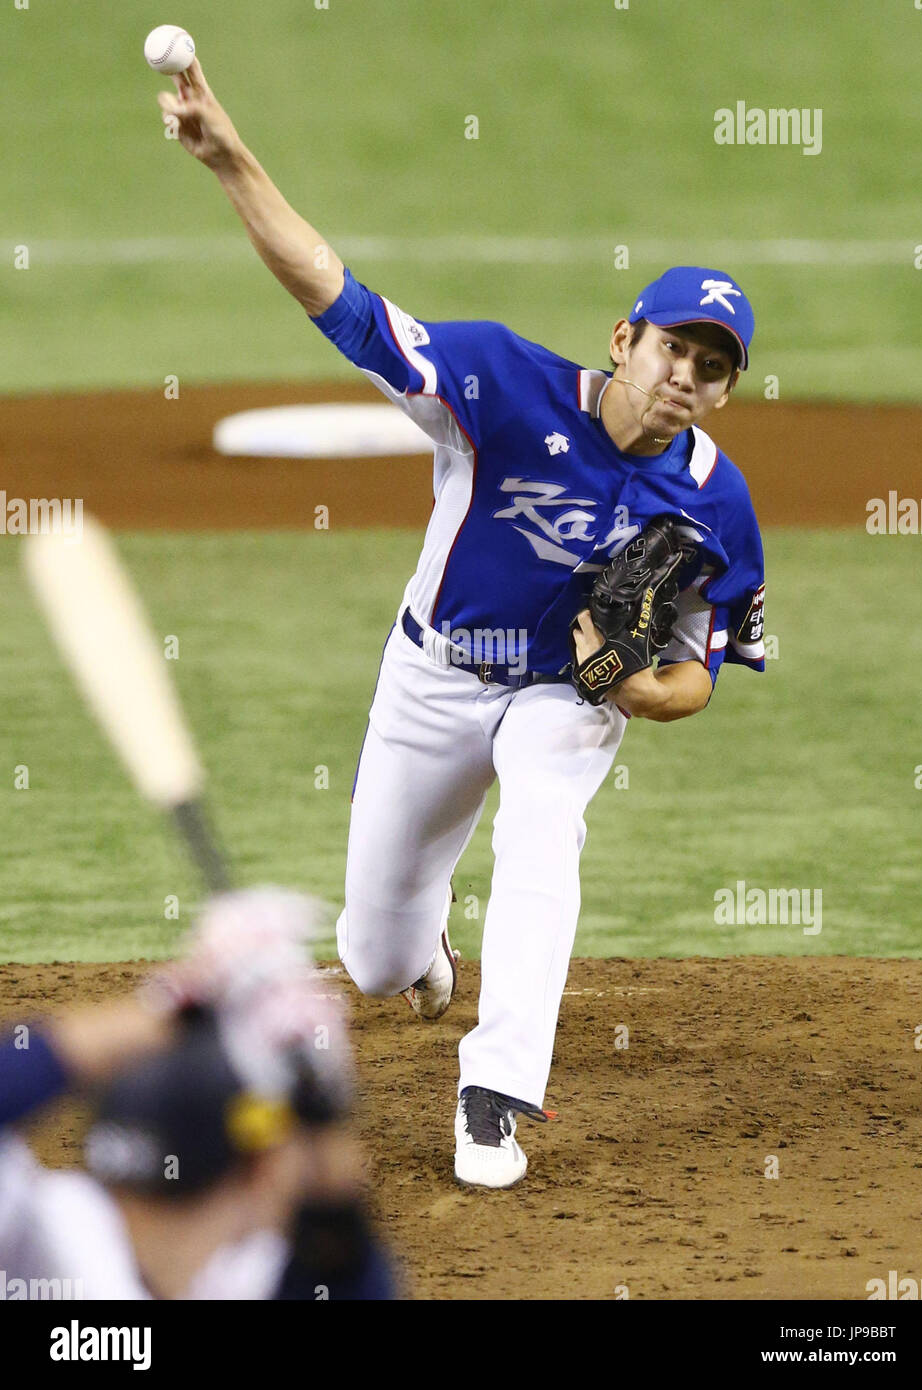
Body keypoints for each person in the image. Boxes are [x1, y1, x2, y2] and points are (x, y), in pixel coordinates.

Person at [156, 61, 766, 1190]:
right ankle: (420, 948)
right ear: (624, 336)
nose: (685, 377)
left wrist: (630, 687)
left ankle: (494, 1096)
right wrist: (230, 159)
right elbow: (340, 301)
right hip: (432, 679)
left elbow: (699, 674)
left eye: (712, 367)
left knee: (545, 829)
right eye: (674, 347)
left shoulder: (716, 502)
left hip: (561, 699)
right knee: (372, 953)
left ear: (725, 391)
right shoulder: (493, 380)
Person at [0, 888, 396, 1298]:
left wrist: (172, 1002)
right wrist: (320, 1097)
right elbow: (346, 1273)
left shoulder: (45, 1243)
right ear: (263, 1172)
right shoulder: (251, 1282)